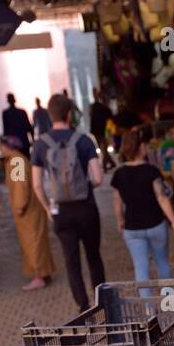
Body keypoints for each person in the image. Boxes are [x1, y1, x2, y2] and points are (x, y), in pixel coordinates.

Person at [31, 93, 104, 312]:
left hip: (60, 211)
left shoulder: (40, 145)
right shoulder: (83, 140)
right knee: (93, 257)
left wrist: (48, 208)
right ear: (69, 114)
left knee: (71, 262)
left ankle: (83, 306)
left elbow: (36, 185)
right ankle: (102, 303)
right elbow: (98, 177)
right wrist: (85, 188)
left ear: (50, 115)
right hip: (86, 208)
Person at [110, 129, 174, 294]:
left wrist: (119, 220)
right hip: (156, 225)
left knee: (141, 268)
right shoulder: (152, 171)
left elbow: (117, 201)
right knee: (162, 263)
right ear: (142, 147)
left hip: (132, 229)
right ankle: (168, 305)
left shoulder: (119, 174)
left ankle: (150, 313)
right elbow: (162, 198)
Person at [1, 134, 54, 291]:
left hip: (28, 210)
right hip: (31, 209)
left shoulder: (16, 161)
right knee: (36, 240)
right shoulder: (17, 160)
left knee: (33, 242)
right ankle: (43, 273)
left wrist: (19, 205)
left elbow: (20, 186)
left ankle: (39, 275)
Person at [89, 87, 114, 169]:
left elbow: (109, 115)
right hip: (98, 129)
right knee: (103, 147)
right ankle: (110, 162)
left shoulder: (98, 106)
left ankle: (106, 164)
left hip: (101, 129)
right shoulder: (94, 106)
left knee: (103, 147)